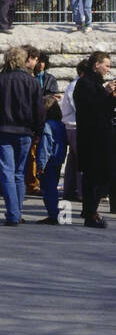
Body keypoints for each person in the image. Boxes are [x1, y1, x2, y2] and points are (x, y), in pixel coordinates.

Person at [0, 47, 45, 226]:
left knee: (7, 173)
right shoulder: (32, 82)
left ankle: (13, 213)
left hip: (2, 131)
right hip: (25, 132)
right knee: (19, 173)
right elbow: (39, 110)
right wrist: (38, 132)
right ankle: (16, 212)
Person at [73, 50, 116, 228]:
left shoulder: (96, 84)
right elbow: (90, 109)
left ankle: (91, 211)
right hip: (92, 139)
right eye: (106, 65)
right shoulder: (84, 84)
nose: (108, 69)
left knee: (99, 177)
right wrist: (106, 94)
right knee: (95, 178)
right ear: (96, 64)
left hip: (99, 138)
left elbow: (104, 109)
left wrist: (111, 97)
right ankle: (90, 214)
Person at [34, 52, 66, 225]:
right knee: (54, 187)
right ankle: (60, 215)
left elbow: (45, 147)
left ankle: (53, 214)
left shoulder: (46, 127)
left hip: (49, 161)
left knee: (48, 189)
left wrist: (40, 165)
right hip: (58, 159)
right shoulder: (60, 125)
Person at [60, 59, 86, 203]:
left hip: (72, 126)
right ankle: (81, 192)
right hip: (75, 126)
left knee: (73, 161)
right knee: (82, 159)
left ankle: (69, 190)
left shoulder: (74, 85)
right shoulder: (76, 86)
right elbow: (80, 108)